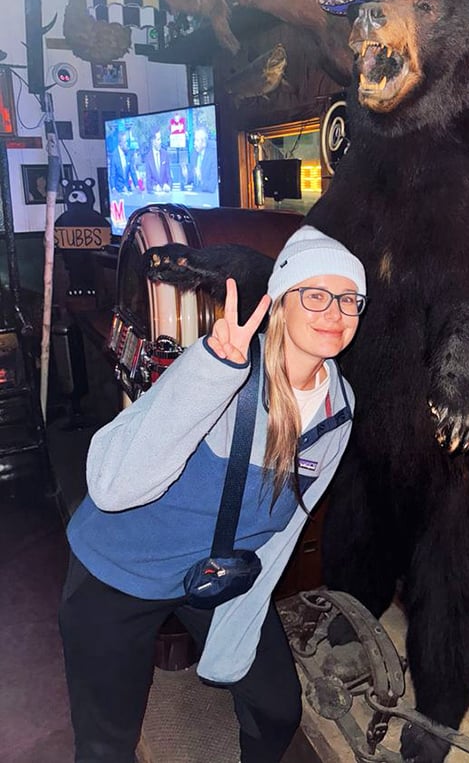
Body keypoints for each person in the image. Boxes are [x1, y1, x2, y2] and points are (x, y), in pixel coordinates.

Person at [58, 225, 367, 763]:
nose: (334, 313)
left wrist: (244, 617)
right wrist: (208, 373)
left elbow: (290, 524)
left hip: (213, 572)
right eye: (315, 295)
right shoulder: (222, 369)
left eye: (349, 299)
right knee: (106, 744)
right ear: (279, 303)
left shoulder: (338, 408)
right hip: (120, 570)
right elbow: (110, 486)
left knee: (277, 706)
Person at [185, 124, 218, 192]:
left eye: (197, 140)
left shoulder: (213, 157)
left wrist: (200, 179)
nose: (194, 143)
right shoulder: (193, 154)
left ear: (204, 143)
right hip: (194, 196)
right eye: (194, 140)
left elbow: (212, 187)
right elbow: (191, 180)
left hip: (207, 197)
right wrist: (186, 175)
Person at [109, 128, 138, 193]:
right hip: (118, 190)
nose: (127, 144)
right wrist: (113, 189)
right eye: (125, 142)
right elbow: (112, 175)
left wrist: (137, 186)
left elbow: (132, 171)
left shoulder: (129, 154)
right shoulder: (114, 156)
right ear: (120, 143)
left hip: (128, 189)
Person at [144, 128, 172, 192]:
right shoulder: (148, 158)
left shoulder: (165, 155)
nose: (160, 142)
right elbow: (148, 183)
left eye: (160, 139)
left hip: (166, 195)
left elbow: (169, 177)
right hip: (154, 197)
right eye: (158, 139)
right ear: (153, 141)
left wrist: (168, 185)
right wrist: (154, 187)